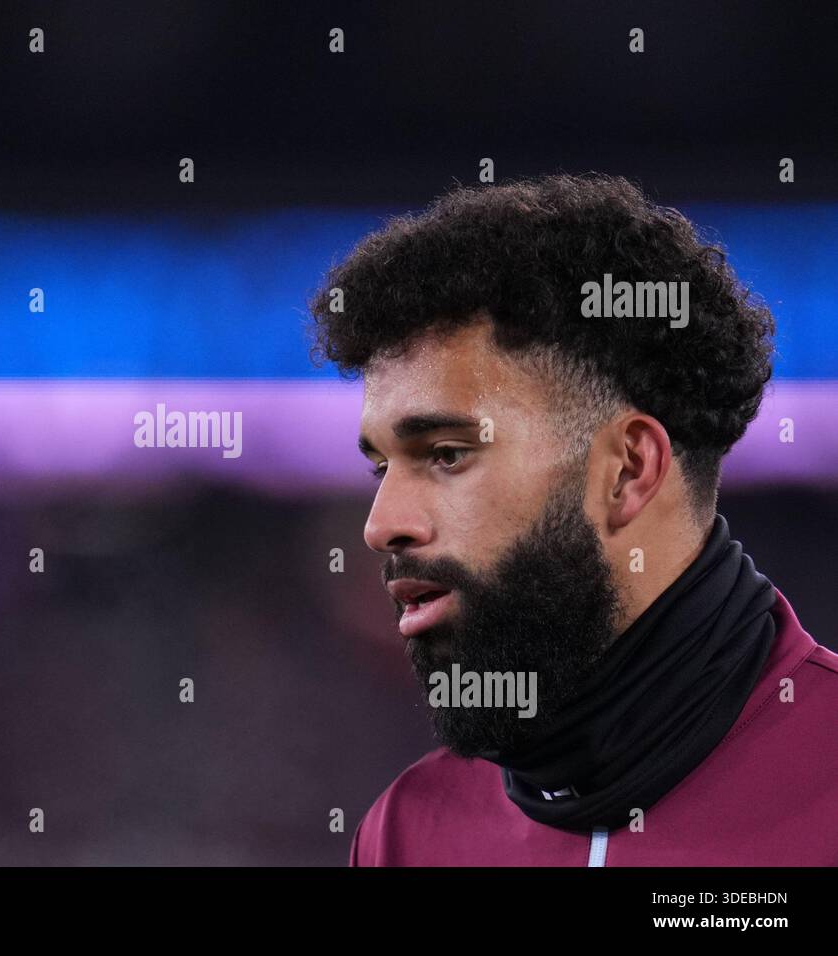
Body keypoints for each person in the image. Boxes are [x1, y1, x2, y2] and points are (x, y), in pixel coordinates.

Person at [307, 173, 838, 865]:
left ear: (627, 469)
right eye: (382, 467)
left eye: (445, 454)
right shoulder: (405, 835)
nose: (381, 526)